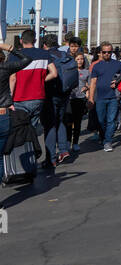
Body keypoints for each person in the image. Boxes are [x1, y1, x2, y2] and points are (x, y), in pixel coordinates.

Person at [7, 28, 58, 156]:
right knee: (32, 128)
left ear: (21, 41)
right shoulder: (44, 54)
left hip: (20, 97)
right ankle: (31, 156)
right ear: (35, 40)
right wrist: (41, 80)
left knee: (19, 129)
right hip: (38, 97)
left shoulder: (14, 56)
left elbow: (12, 78)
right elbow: (54, 73)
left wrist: (9, 96)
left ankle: (22, 157)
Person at [41, 32, 76, 168]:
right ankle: (63, 150)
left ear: (45, 45)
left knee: (50, 125)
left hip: (51, 94)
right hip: (65, 93)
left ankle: (51, 158)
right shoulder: (65, 55)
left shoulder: (47, 56)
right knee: (60, 121)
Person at [87, 43, 121, 152]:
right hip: (100, 97)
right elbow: (93, 83)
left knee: (111, 120)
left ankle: (108, 141)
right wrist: (91, 98)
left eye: (109, 52)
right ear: (100, 53)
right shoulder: (96, 66)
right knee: (100, 120)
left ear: (112, 52)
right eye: (104, 52)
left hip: (114, 96)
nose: (107, 54)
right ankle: (103, 137)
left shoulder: (118, 64)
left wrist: (117, 82)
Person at [69, 52, 90, 152]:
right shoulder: (69, 71)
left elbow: (90, 84)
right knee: (68, 122)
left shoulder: (86, 72)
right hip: (70, 98)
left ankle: (75, 143)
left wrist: (87, 87)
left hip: (80, 98)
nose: (80, 61)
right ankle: (68, 142)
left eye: (81, 59)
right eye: (78, 59)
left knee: (77, 122)